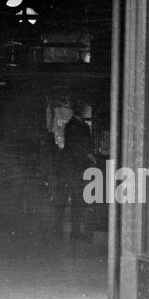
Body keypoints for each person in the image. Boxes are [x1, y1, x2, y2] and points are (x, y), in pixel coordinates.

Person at [50, 96, 95, 240]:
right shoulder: (75, 125)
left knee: (70, 199)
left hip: (72, 166)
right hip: (74, 167)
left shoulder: (74, 124)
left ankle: (66, 231)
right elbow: (77, 145)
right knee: (73, 199)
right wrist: (88, 155)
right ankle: (70, 231)